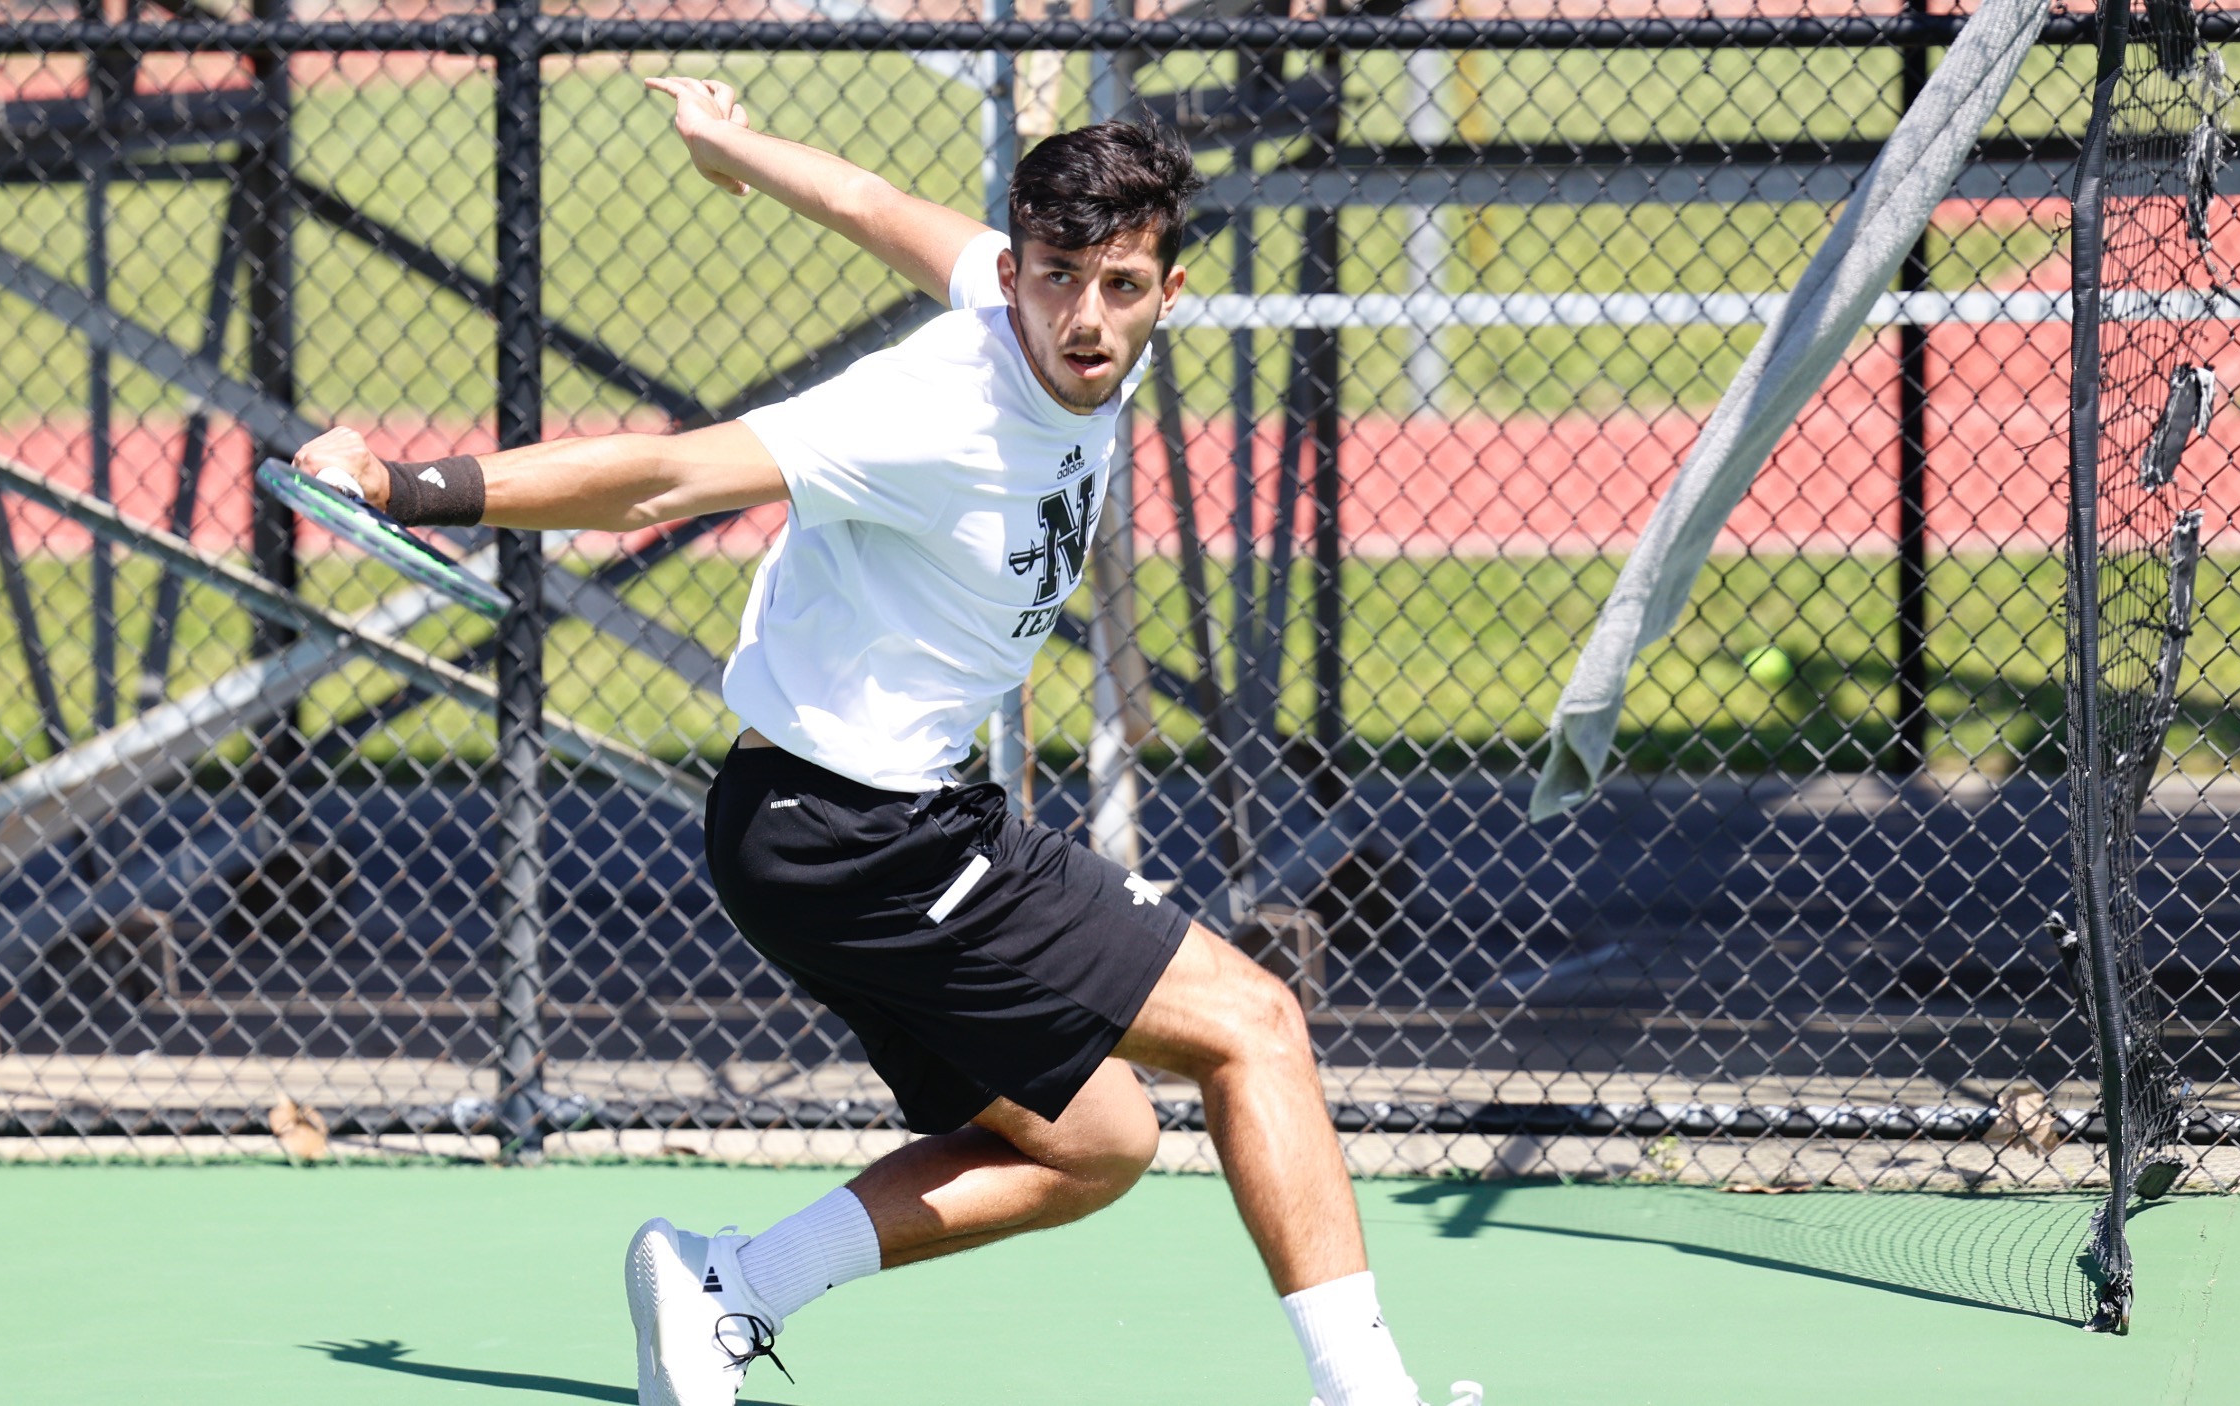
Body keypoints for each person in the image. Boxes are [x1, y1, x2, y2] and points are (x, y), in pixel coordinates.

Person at [293, 75, 1472, 1406]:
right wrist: (409, 486)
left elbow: (866, 203)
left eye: (1121, 285)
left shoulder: (1034, 309)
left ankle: (725, 1285)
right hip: (853, 830)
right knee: (1256, 1023)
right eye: (1059, 277)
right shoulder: (932, 413)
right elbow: (668, 476)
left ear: (1169, 289)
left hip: (868, 827)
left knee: (1096, 1137)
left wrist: (732, 143)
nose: (1084, 317)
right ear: (1020, 269)